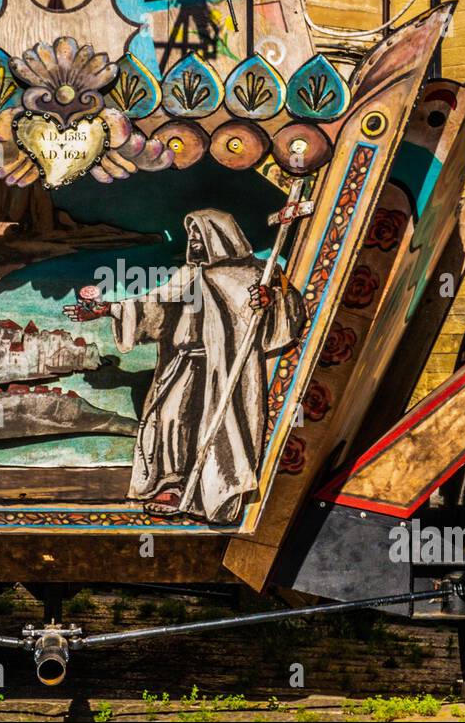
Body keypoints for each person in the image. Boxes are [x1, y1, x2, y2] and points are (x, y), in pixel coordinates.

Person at [65, 209, 304, 524]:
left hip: (225, 367)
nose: (193, 243)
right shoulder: (188, 277)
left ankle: (211, 490)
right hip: (184, 362)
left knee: (217, 427)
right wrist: (109, 310)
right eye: (191, 236)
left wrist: (270, 300)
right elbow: (154, 307)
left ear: (218, 236)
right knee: (171, 417)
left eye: (198, 235)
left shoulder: (254, 274)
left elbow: (290, 310)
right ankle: (175, 484)